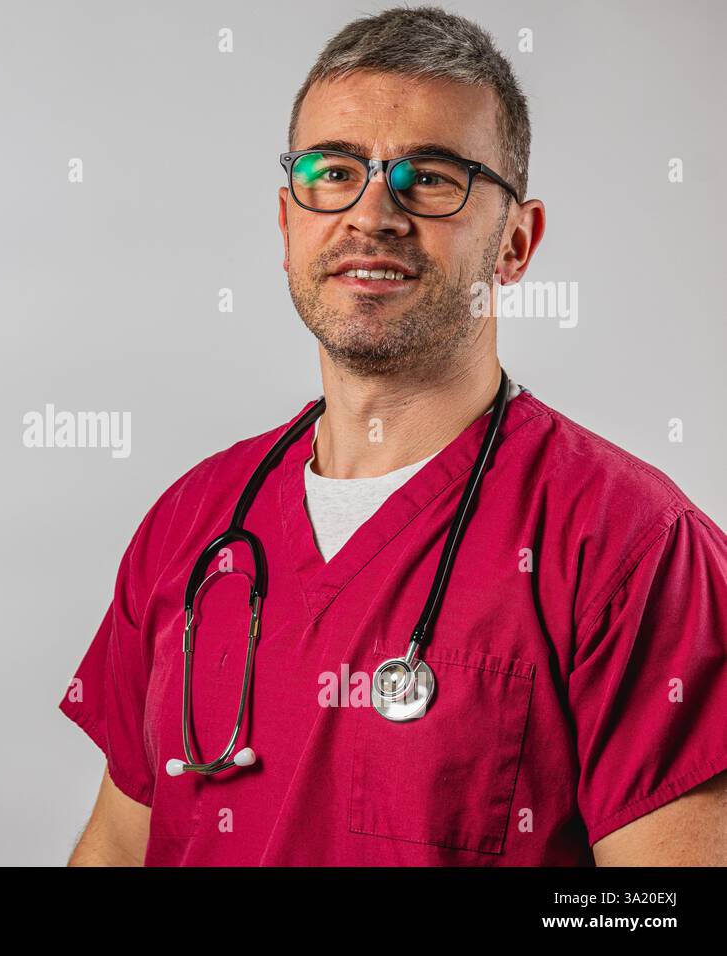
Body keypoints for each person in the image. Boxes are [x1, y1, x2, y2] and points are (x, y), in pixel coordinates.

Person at [57, 5, 727, 866]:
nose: (373, 213)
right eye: (333, 172)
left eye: (431, 177)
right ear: (287, 223)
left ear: (515, 243)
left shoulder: (636, 550)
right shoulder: (192, 522)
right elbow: (117, 848)